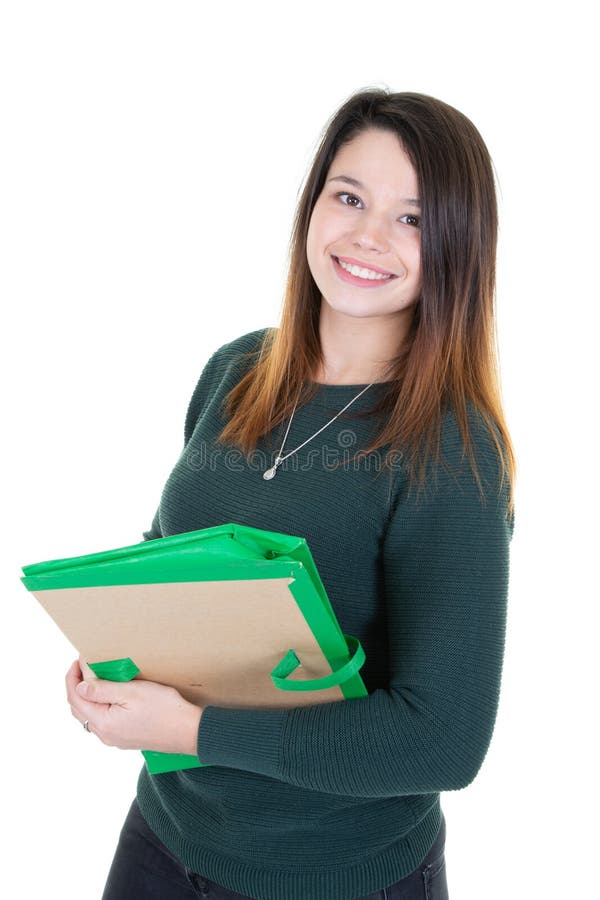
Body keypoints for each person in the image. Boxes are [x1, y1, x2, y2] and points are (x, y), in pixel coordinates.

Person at [65, 87, 516, 900]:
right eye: (349, 197)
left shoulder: (452, 451)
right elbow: (174, 566)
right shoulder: (237, 370)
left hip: (335, 877)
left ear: (458, 244)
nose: (367, 236)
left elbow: (443, 740)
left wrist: (192, 730)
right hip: (164, 843)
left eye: (412, 218)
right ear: (313, 205)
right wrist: (111, 659)